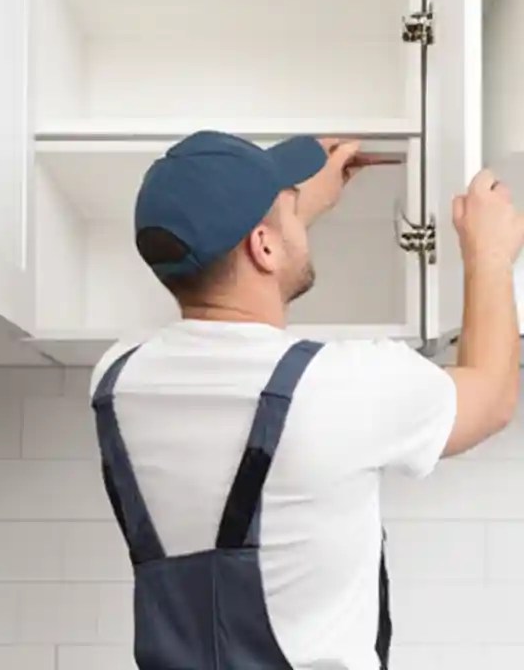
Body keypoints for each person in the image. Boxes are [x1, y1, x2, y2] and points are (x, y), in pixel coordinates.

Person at [88, 130, 523, 669]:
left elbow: (230, 276)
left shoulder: (117, 379)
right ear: (263, 245)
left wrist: (288, 216)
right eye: (286, 209)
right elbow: (494, 393)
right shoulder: (339, 387)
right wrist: (491, 255)